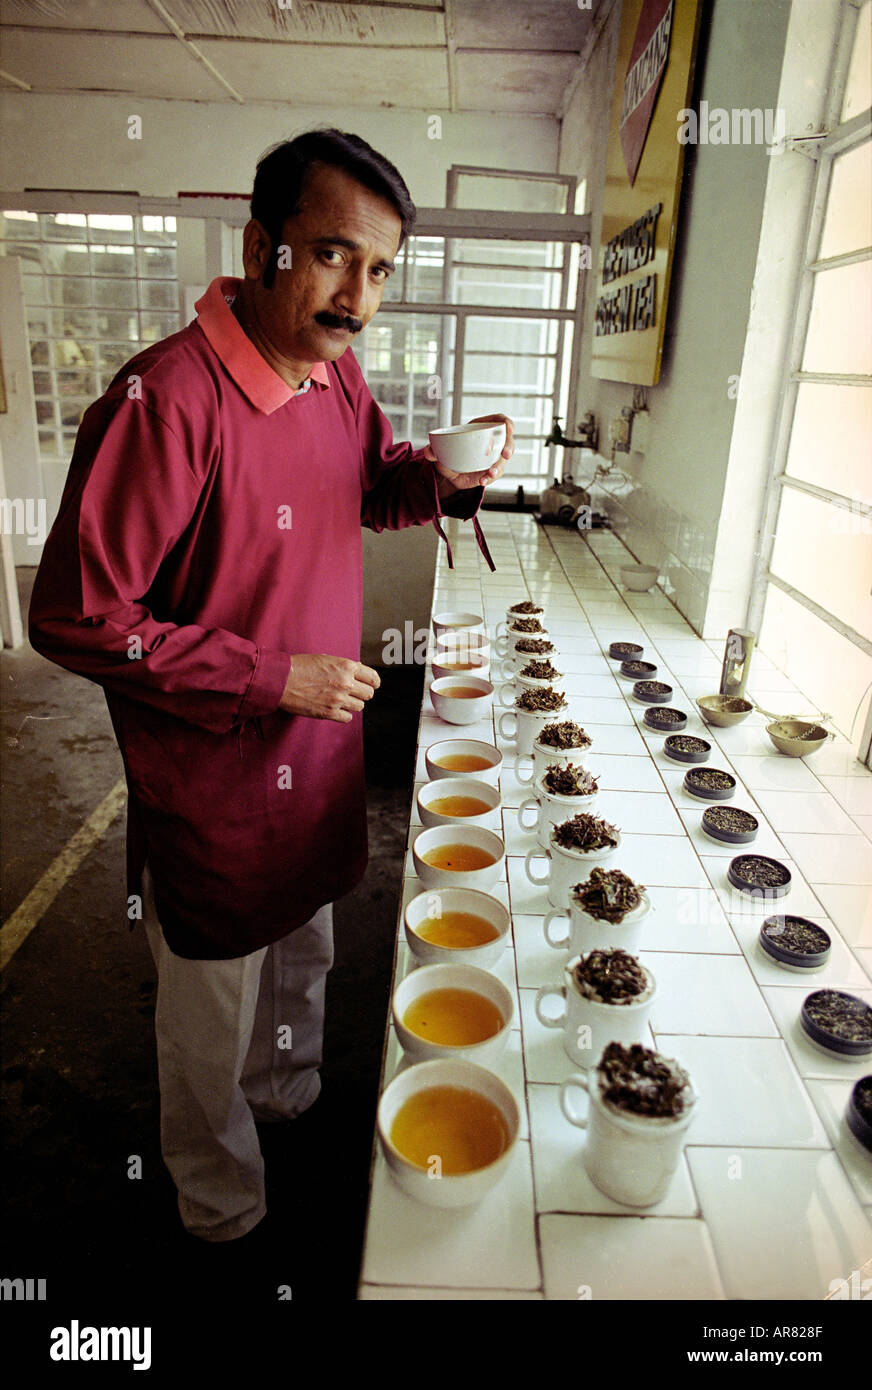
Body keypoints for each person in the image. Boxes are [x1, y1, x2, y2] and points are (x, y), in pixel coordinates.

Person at [28, 128, 514, 1244]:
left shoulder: (331, 380)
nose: (358, 296)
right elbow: (79, 615)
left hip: (320, 756)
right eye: (333, 255)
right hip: (213, 779)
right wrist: (268, 673)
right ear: (263, 248)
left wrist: (440, 479)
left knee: (305, 950)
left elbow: (372, 491)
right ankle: (218, 1199)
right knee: (211, 1007)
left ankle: (284, 1098)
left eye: (380, 270)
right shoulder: (169, 400)